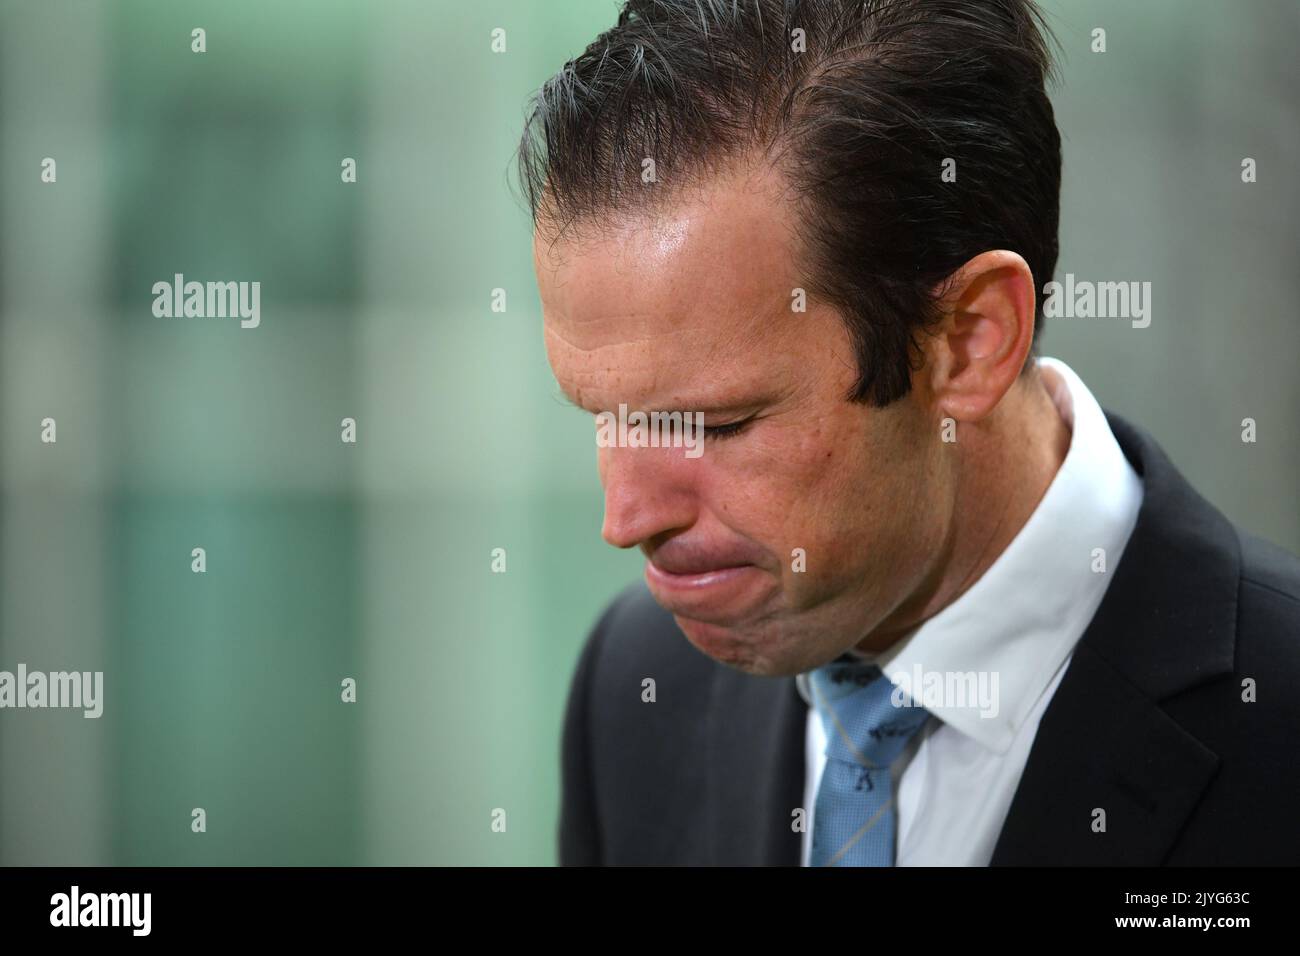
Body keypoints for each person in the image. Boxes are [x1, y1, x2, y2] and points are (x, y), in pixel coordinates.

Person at [518, 0, 1300, 865]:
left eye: (716, 424)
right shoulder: (634, 689)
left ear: (970, 343)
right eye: (604, 417)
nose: (625, 521)